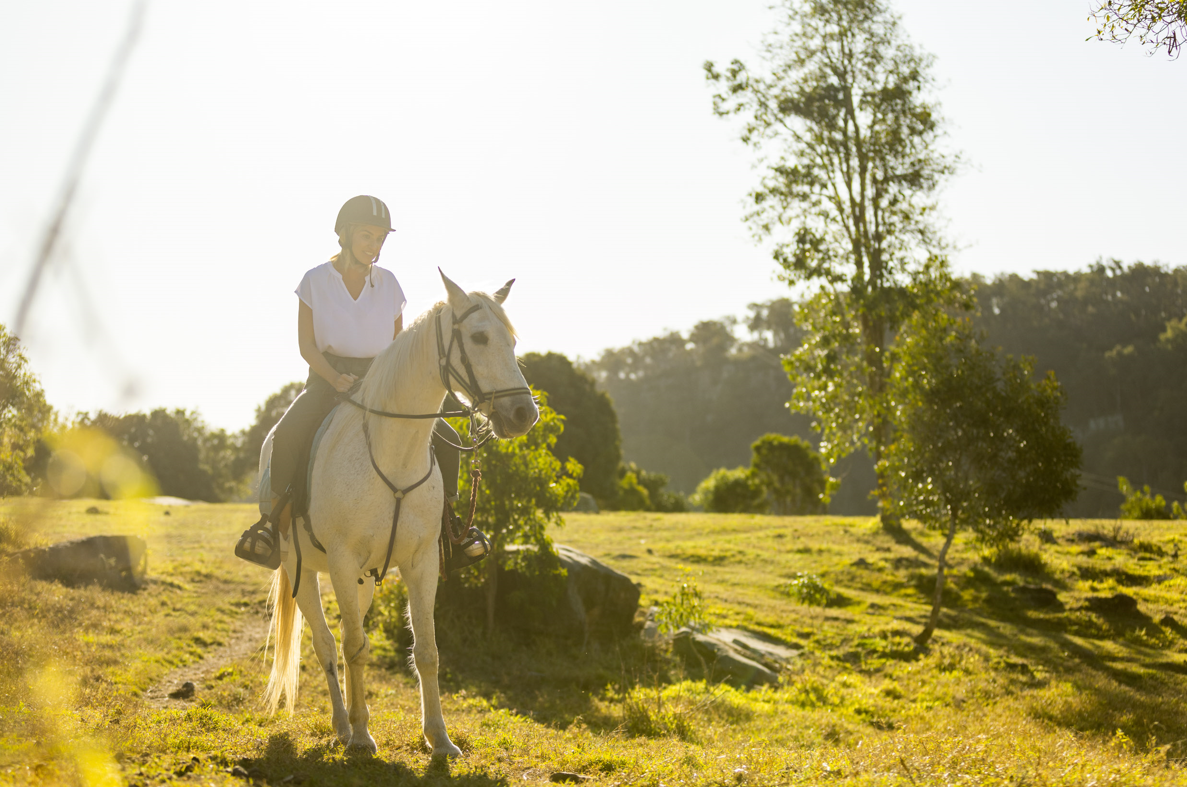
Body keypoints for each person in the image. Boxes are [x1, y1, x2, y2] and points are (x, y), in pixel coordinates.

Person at [235, 195, 491, 572]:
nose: (374, 245)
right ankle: (272, 527)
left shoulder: (390, 285)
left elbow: (397, 346)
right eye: (366, 236)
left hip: (380, 380)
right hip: (327, 379)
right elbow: (307, 345)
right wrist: (333, 377)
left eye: (380, 238)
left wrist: (387, 383)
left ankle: (450, 528)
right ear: (345, 234)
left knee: (447, 438)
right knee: (286, 435)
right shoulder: (314, 281)